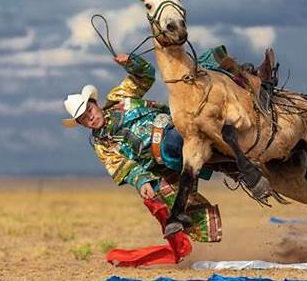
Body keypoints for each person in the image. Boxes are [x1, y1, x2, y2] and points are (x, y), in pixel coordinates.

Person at [62, 53, 222, 257]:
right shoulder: (102, 144)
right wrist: (141, 182)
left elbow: (145, 77)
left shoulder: (119, 97)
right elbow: (123, 166)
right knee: (171, 197)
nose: (90, 117)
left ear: (94, 103)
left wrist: (131, 62)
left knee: (198, 84)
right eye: (83, 119)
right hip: (162, 161)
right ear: (82, 124)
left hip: (172, 124)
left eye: (89, 110)